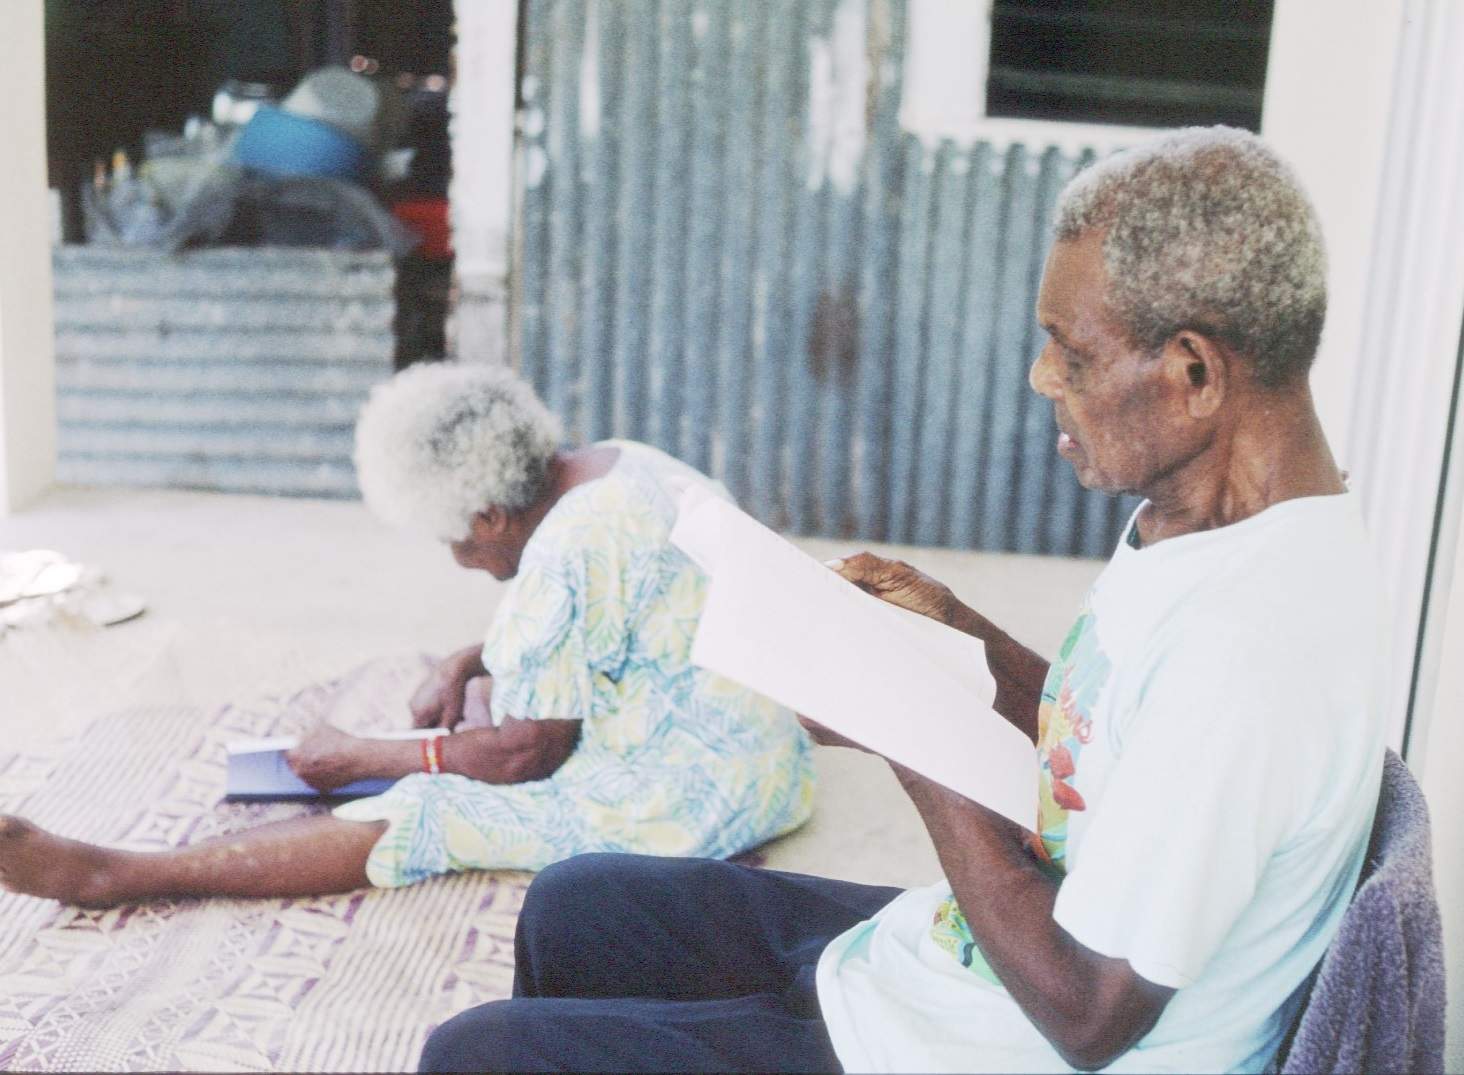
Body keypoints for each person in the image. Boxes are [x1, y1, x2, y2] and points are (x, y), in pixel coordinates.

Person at [418, 126, 1387, 1074]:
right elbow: (1112, 736)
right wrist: (956, 630)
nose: (1041, 375)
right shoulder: (1208, 523)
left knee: (476, 1055)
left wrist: (908, 729)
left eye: (1072, 352)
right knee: (577, 903)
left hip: (1011, 1034)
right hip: (950, 986)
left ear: (1193, 372)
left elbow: (1089, 1013)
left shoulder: (1253, 647)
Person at [0, 364, 815, 905]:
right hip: (767, 743)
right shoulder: (623, 462)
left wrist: (369, 756)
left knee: (431, 807)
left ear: (489, 514)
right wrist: (473, 656)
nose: (459, 558)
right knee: (492, 690)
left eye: (455, 537)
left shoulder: (564, 553)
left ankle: (121, 872)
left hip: (702, 797)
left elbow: (523, 757)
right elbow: (626, 603)